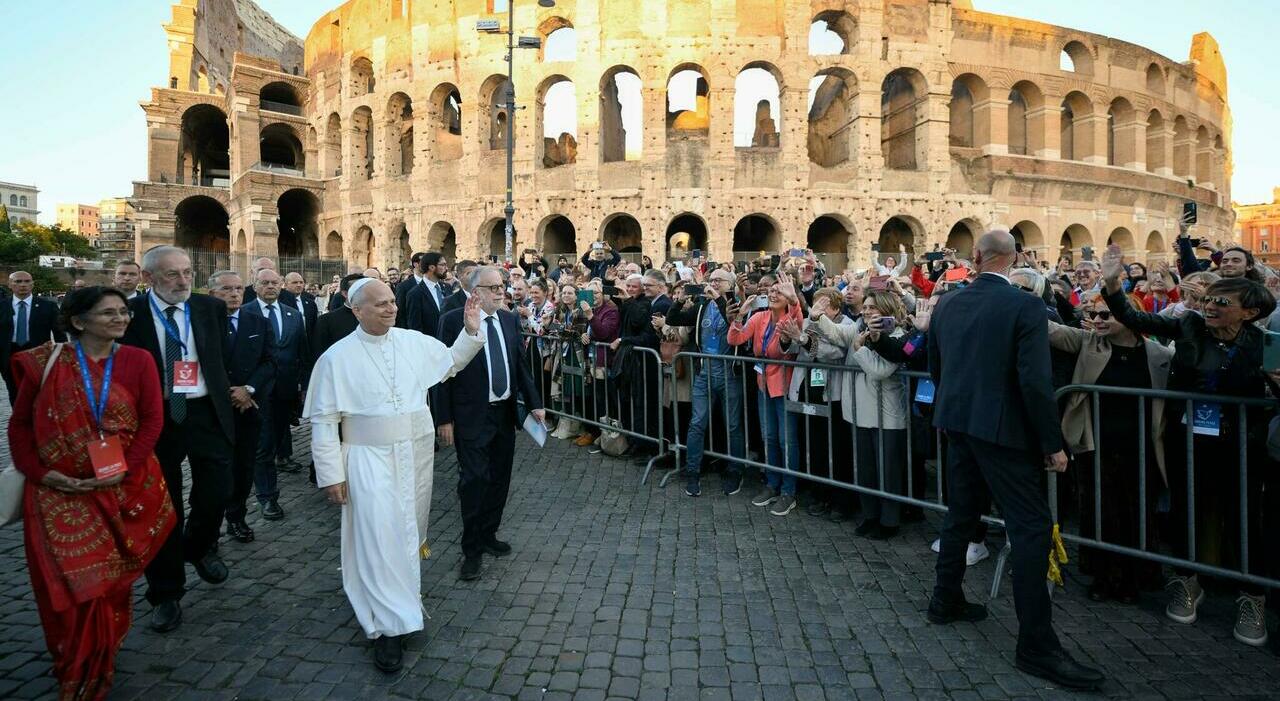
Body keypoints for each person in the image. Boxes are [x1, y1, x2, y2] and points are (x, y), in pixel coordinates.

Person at [927, 231, 1103, 690]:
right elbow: (1034, 381)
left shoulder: (947, 303)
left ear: (978, 257)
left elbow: (936, 367)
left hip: (958, 422)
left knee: (960, 516)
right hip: (1003, 431)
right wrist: (1053, 442)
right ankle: (1036, 646)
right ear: (1016, 259)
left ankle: (944, 599)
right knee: (1032, 529)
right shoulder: (1024, 306)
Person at [304, 278, 486, 672]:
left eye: (392, 302)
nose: (391, 309)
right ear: (357, 310)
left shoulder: (410, 341)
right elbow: (323, 421)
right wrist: (330, 475)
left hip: (415, 455)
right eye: (380, 304)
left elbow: (450, 362)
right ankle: (387, 628)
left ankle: (404, 606)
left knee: (406, 532)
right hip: (366, 458)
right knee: (378, 536)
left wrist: (471, 333)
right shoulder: (336, 358)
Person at [1100, 244, 1277, 647]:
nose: (1210, 306)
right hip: (1188, 437)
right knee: (1185, 509)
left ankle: (1252, 598)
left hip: (1241, 444)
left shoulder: (1263, 343)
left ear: (1248, 312)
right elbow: (1130, 316)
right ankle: (1186, 581)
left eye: (1221, 302)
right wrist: (1112, 282)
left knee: (1243, 518)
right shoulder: (1189, 326)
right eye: (1209, 299)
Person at [8, 286, 175, 701]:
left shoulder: (138, 360)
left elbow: (153, 421)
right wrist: (42, 474)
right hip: (56, 492)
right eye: (108, 313)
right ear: (78, 322)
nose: (120, 319)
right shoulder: (45, 364)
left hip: (119, 486)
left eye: (123, 312)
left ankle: (101, 654)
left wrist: (122, 471)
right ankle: (71, 660)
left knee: (106, 586)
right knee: (65, 583)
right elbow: (21, 426)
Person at [121, 245, 236, 633]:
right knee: (161, 505)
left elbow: (219, 358)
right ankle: (166, 593)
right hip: (156, 419)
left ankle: (198, 545)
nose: (183, 280)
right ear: (148, 278)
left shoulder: (209, 309)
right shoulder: (130, 315)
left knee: (218, 491)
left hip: (204, 412)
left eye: (187, 272)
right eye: (172, 274)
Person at [1047, 292, 1173, 604]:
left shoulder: (1158, 354)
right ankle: (1103, 576)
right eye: (1096, 314)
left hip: (1141, 446)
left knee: (1136, 511)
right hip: (1095, 443)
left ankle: (1133, 577)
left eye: (1107, 315)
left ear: (1131, 317)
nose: (1098, 320)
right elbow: (1050, 329)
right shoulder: (1088, 342)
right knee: (1100, 511)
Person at [437, 266, 545, 582]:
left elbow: (520, 365)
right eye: (494, 287)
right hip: (471, 415)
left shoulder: (510, 320)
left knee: (499, 479)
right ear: (476, 292)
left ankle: (488, 534)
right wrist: (444, 417)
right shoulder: (452, 320)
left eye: (503, 286)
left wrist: (536, 402)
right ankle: (471, 550)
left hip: (504, 414)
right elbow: (442, 372)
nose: (502, 291)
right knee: (474, 480)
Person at [809, 290, 910, 539]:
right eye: (864, 308)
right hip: (859, 411)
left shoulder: (897, 335)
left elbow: (880, 370)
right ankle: (870, 515)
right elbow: (836, 333)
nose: (866, 312)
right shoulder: (858, 328)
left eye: (872, 308)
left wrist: (859, 349)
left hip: (885, 414)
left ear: (885, 310)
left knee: (887, 471)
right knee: (865, 469)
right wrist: (817, 317)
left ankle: (889, 520)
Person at [663, 268, 748, 496]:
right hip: (705, 372)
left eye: (719, 280)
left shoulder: (735, 303)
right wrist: (679, 301)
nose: (713, 283)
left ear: (730, 284)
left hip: (729, 373)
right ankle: (693, 472)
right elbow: (673, 319)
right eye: (711, 280)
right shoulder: (702, 306)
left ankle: (735, 471)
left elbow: (733, 325)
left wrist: (719, 298)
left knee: (733, 425)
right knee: (697, 422)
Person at [208, 271, 276, 544]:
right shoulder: (201, 323)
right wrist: (226, 392)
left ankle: (237, 517)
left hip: (249, 405)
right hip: (213, 408)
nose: (234, 293)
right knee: (212, 470)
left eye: (238, 288)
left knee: (244, 466)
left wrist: (248, 390)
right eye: (226, 289)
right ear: (212, 293)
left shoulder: (256, 321)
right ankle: (209, 529)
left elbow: (269, 362)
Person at [728, 273, 804, 516]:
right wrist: (740, 316)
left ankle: (788, 491)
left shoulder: (790, 317)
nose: (772, 294)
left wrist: (794, 301)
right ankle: (772, 484)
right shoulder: (760, 317)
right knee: (769, 437)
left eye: (778, 291)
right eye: (770, 291)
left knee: (786, 440)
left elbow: (798, 324)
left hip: (784, 385)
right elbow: (736, 338)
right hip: (763, 384)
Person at [240, 268, 309, 516]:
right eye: (264, 283)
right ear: (255, 286)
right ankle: (267, 496)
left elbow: (302, 352)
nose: (270, 286)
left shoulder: (292, 315)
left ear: (280, 286)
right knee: (263, 445)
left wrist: (303, 385)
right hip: (256, 392)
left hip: (285, 390)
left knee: (278, 437)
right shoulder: (245, 313)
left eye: (274, 283)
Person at [5, 270, 67, 404]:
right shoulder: (2, 306)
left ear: (32, 284)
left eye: (27, 281)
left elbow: (59, 333)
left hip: (38, 355)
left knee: (38, 392)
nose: (23, 285)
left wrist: (62, 356)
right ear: (10, 284)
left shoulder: (48, 306)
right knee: (14, 392)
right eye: (18, 281)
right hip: (8, 355)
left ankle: (38, 421)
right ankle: (19, 420)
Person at [313, 273, 364, 358]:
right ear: (345, 293)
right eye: (357, 289)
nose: (363, 292)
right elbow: (320, 355)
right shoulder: (326, 321)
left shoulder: (376, 317)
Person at [405, 252, 451, 341]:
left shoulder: (447, 288)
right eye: (443, 265)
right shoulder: (415, 294)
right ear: (432, 267)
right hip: (430, 346)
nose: (447, 268)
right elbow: (415, 327)